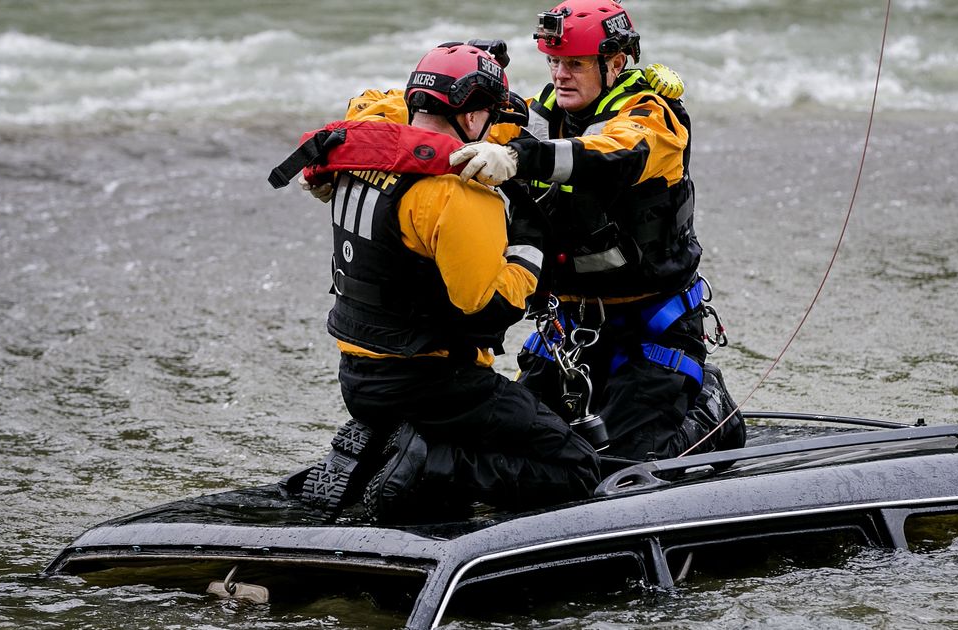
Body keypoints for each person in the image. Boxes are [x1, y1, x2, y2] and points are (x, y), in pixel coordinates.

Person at [279, 43, 600, 523]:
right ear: (472, 119)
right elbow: (487, 308)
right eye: (489, 115)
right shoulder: (458, 192)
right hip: (435, 384)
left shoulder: (356, 161)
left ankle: (391, 447)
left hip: (359, 376)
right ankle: (427, 461)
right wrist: (530, 247)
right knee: (576, 468)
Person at [449, 0, 747, 461]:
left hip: (652, 328)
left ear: (615, 63)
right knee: (512, 446)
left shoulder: (654, 119)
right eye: (553, 61)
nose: (559, 74)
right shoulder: (539, 113)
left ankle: (712, 408)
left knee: (631, 464)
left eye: (575, 64)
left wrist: (517, 158)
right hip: (569, 328)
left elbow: (605, 154)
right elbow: (437, 117)